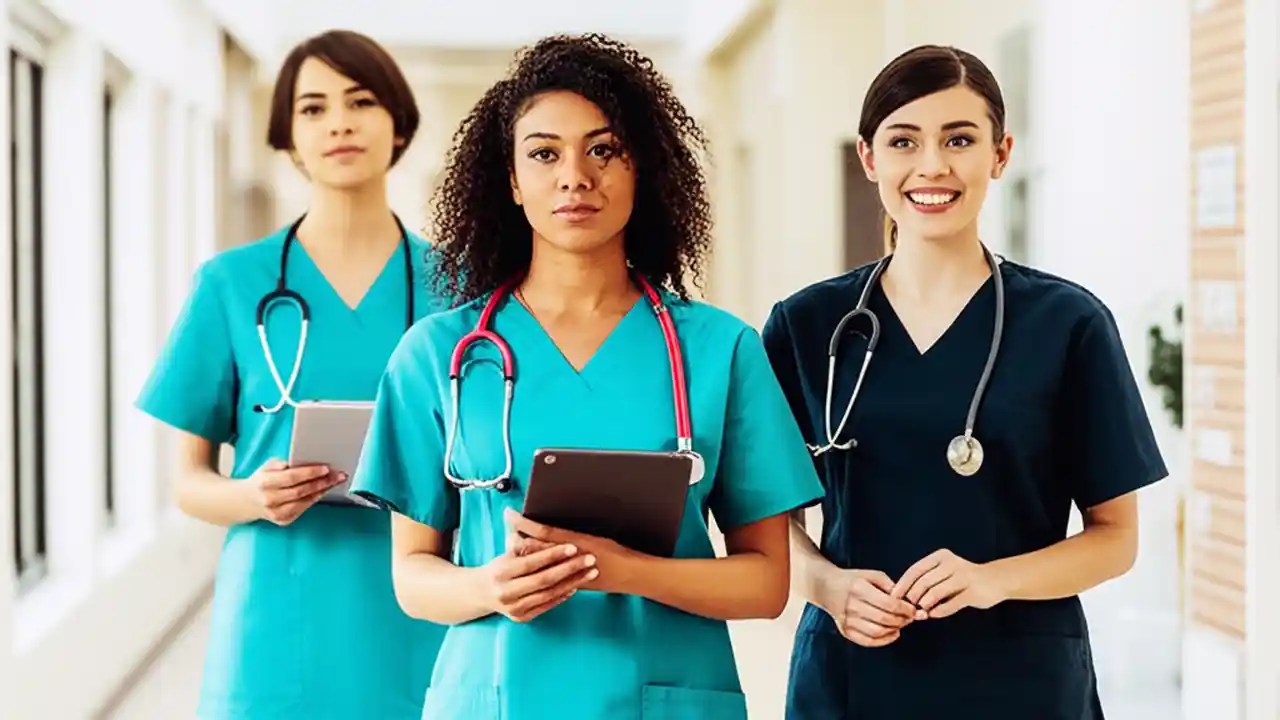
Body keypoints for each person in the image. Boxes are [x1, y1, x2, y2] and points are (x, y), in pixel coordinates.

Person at [348, 33, 825, 720]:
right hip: (495, 697)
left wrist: (622, 572)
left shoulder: (722, 351)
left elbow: (765, 584)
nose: (575, 176)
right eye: (544, 153)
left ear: (644, 170)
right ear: (512, 180)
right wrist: (492, 588)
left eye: (604, 150)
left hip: (666, 695)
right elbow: (413, 578)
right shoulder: (437, 356)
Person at [764, 45, 1168, 719]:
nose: (932, 166)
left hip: (1021, 680)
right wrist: (827, 587)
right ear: (869, 158)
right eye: (903, 141)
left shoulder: (1068, 324)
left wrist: (990, 581)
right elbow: (764, 522)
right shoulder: (809, 326)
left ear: (1000, 154)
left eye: (959, 139)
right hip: (853, 678)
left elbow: (1115, 537)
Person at [135, 30, 448, 719]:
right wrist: (256, 496)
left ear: (398, 123)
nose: (338, 121)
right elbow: (188, 482)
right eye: (312, 108)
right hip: (279, 606)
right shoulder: (230, 285)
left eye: (360, 100)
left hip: (421, 602)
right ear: (287, 137)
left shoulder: (460, 288)